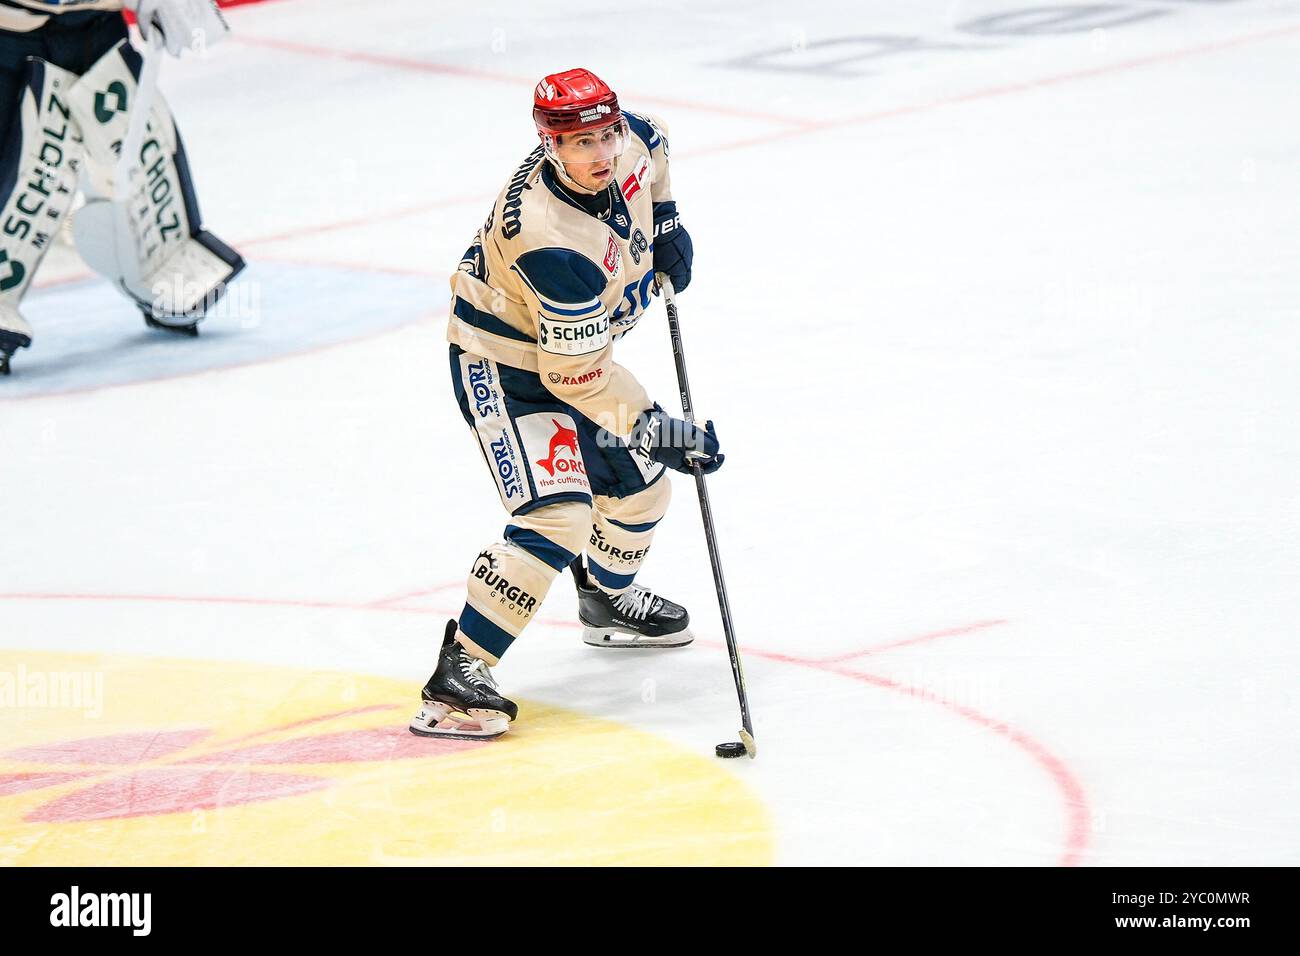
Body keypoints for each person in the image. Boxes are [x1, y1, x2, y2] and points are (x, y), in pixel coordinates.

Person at [411, 67, 724, 740]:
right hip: (508, 366)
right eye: (582, 144)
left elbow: (656, 144)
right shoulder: (550, 242)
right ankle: (459, 674)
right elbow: (573, 376)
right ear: (548, 144)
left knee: (640, 489)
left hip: (571, 358)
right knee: (560, 514)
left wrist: (665, 220)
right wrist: (649, 425)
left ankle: (605, 602)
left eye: (607, 135)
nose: (603, 154)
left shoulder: (632, 139)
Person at [0, 0, 243, 375]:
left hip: (97, 31)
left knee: (143, 162)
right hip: (11, 37)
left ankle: (165, 268)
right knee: (21, 171)